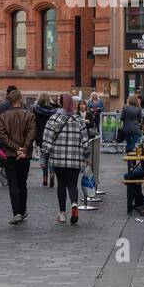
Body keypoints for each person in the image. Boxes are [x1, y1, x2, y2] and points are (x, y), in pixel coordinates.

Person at [42, 94, 90, 225]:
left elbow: (46, 139)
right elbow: (86, 141)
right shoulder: (79, 120)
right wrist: (87, 156)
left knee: (61, 185)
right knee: (73, 184)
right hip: (75, 159)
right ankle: (74, 203)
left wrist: (44, 156)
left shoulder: (53, 118)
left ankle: (62, 213)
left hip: (58, 158)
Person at [0, 89, 36, 224]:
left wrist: (15, 148)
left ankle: (17, 212)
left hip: (10, 154)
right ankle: (23, 210)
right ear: (20, 99)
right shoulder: (29, 115)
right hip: (24, 155)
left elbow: (2, 135)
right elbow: (32, 133)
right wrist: (23, 148)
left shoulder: (3, 116)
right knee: (22, 183)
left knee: (13, 183)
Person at [32, 92, 57, 188]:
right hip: (51, 136)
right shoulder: (53, 110)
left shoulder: (36, 109)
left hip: (40, 136)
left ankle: (45, 178)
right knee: (51, 157)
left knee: (43, 157)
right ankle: (52, 174)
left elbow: (34, 123)